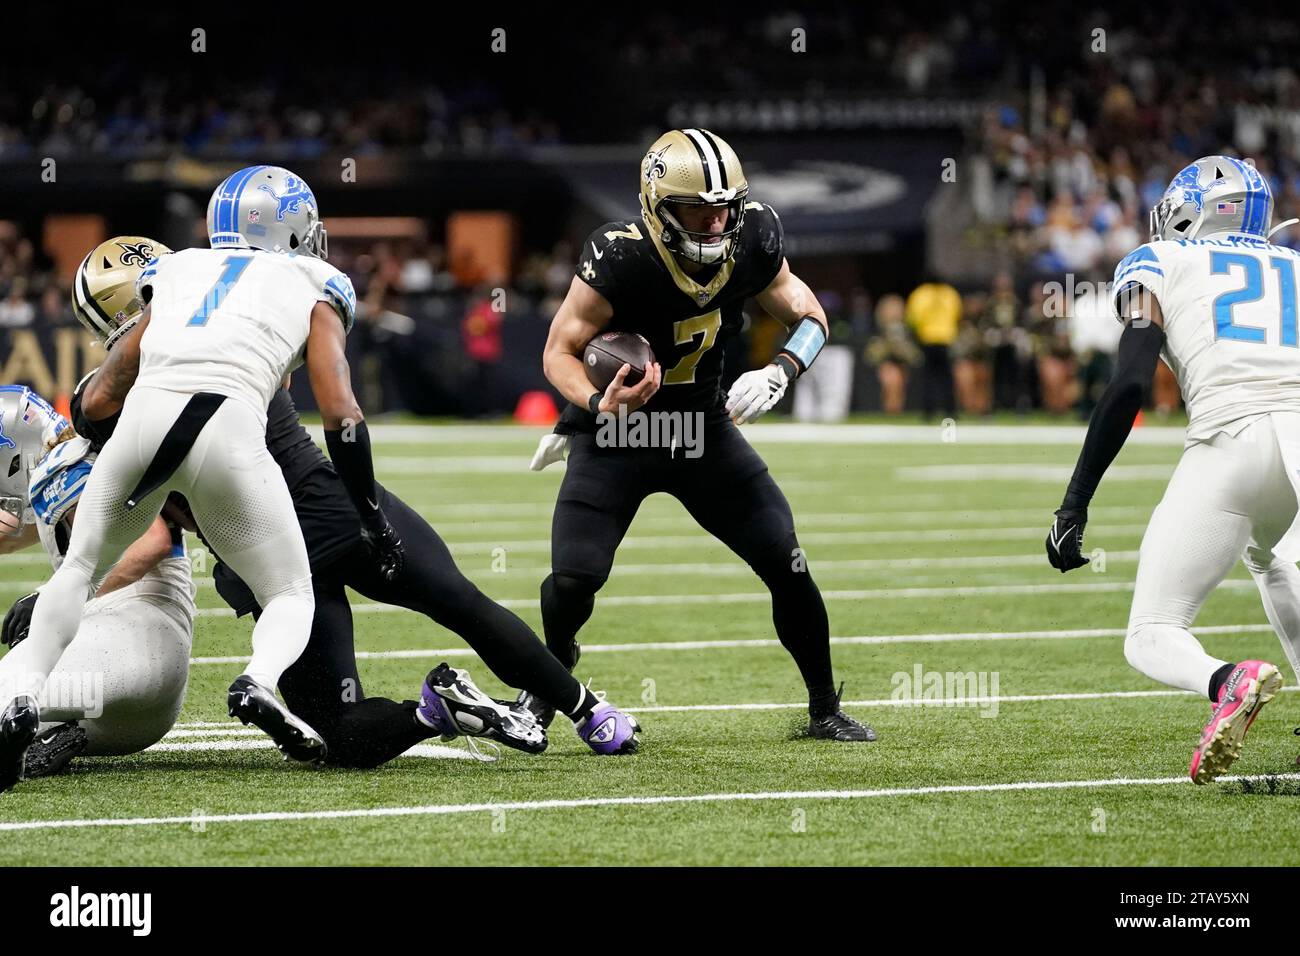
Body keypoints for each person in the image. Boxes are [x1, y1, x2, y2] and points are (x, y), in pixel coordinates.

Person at [0, 165, 402, 791]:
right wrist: (371, 513)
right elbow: (341, 411)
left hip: (144, 421)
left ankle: (23, 692)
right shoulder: (319, 278)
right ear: (296, 229)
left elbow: (116, 375)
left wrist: (80, 417)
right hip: (229, 430)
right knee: (291, 593)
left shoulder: (175, 267)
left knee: (78, 570)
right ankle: (258, 681)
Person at [528, 128, 874, 742]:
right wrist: (589, 404)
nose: (714, 224)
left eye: (724, 208)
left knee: (785, 560)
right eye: (696, 210)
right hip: (620, 434)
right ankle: (551, 676)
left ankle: (824, 707)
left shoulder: (755, 237)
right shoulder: (620, 255)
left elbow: (812, 314)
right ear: (657, 209)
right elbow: (559, 351)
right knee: (575, 578)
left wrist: (781, 371)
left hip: (702, 430)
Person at [1046, 156, 1295, 784]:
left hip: (1229, 439)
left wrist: (1075, 501)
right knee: (1270, 556)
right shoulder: (1295, 264)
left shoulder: (1159, 259)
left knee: (1151, 632)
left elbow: (1129, 383)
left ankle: (1226, 680)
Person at [905, 277, 961, 419]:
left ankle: (928, 412)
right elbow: (957, 315)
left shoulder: (921, 294)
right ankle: (950, 411)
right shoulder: (949, 293)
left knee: (928, 378)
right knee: (947, 379)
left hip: (927, 339)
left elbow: (913, 318)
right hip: (945, 339)